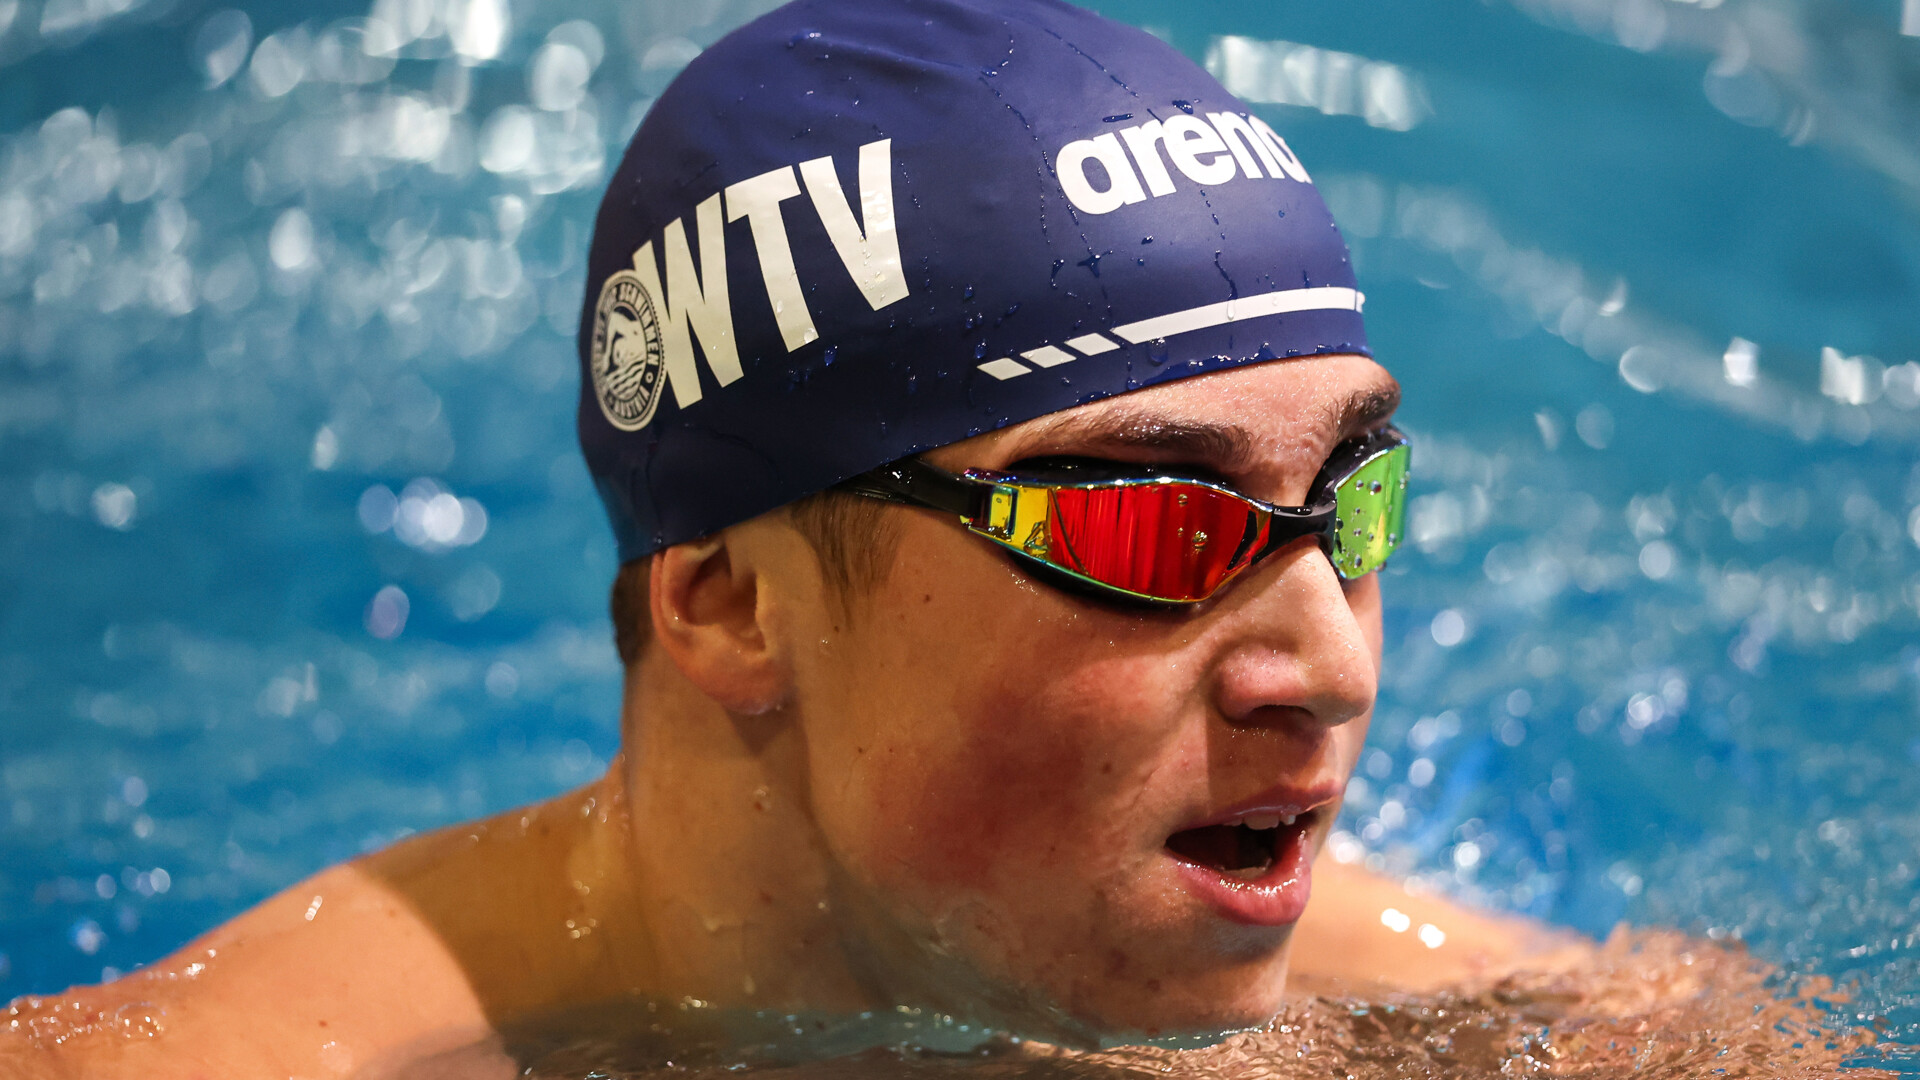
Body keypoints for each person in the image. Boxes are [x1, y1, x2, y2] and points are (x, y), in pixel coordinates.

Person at [2, 1, 1585, 1076]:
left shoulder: (1457, 1016)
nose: (1330, 665)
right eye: (1153, 523)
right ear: (730, 608)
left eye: (1350, 502)